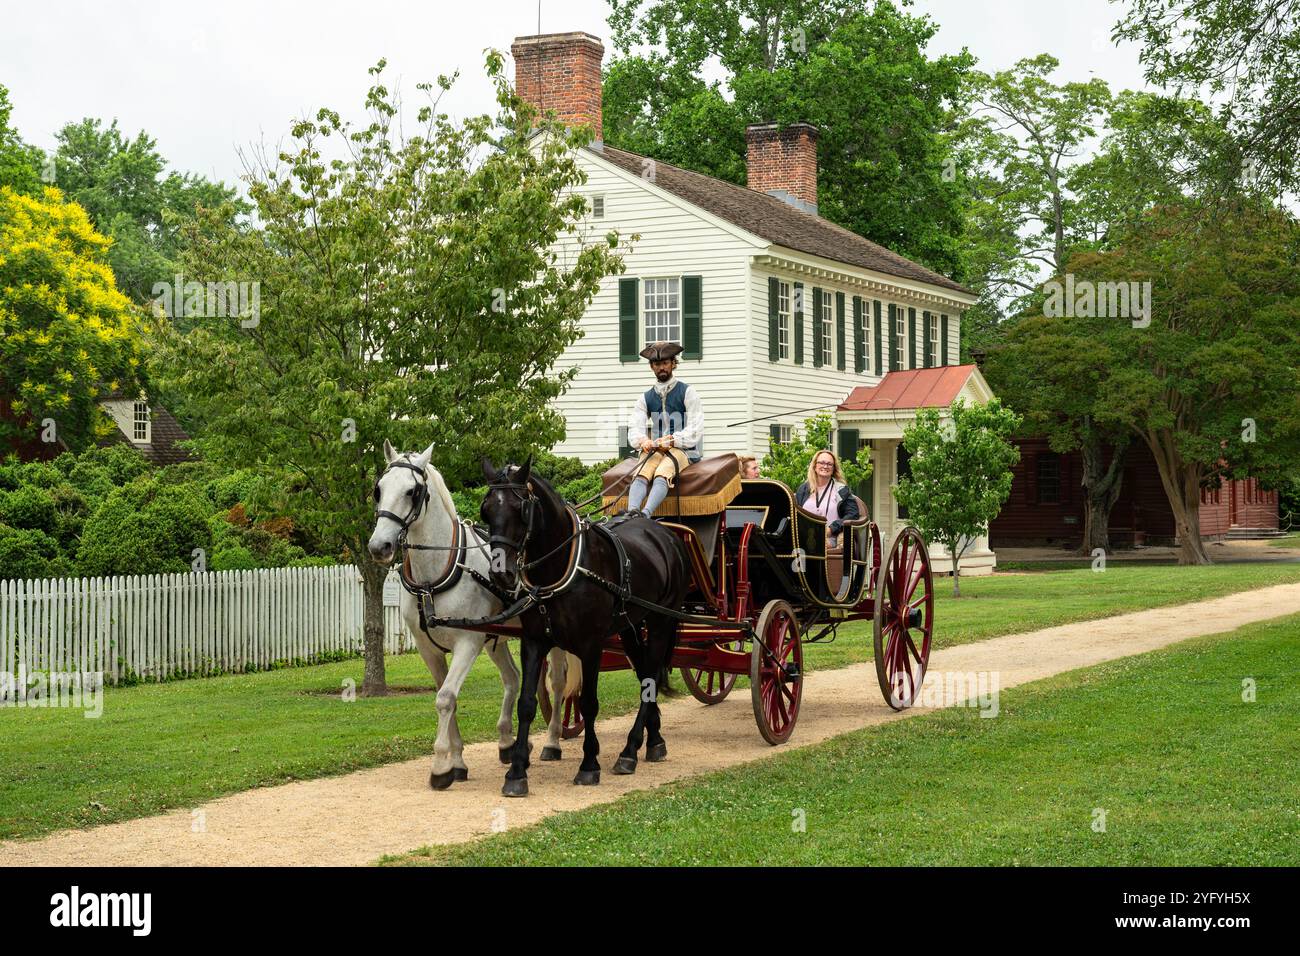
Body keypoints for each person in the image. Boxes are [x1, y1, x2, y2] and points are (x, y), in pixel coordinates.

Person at [624, 341, 704, 517]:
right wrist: (643, 440)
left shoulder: (688, 392)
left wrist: (673, 440)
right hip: (655, 449)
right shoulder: (644, 398)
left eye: (665, 363)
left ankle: (645, 514)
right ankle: (631, 514)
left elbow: (695, 429)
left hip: (684, 450)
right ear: (652, 366)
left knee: (662, 473)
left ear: (673, 364)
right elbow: (635, 426)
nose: (661, 367)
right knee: (641, 473)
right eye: (657, 364)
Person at [795, 449, 859, 545]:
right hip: (804, 538)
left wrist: (832, 528)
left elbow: (853, 514)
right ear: (815, 466)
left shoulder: (841, 489)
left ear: (833, 468)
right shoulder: (803, 489)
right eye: (822, 463)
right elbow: (795, 513)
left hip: (829, 540)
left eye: (829, 464)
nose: (825, 466)